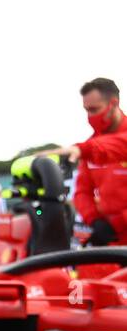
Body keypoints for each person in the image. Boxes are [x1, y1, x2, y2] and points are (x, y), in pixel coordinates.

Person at [40, 78, 127, 245]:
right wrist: (94, 220)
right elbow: (82, 191)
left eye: (94, 109)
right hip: (109, 237)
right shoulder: (90, 147)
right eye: (86, 110)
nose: (90, 117)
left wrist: (117, 223)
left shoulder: (90, 148)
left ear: (113, 104)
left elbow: (117, 145)